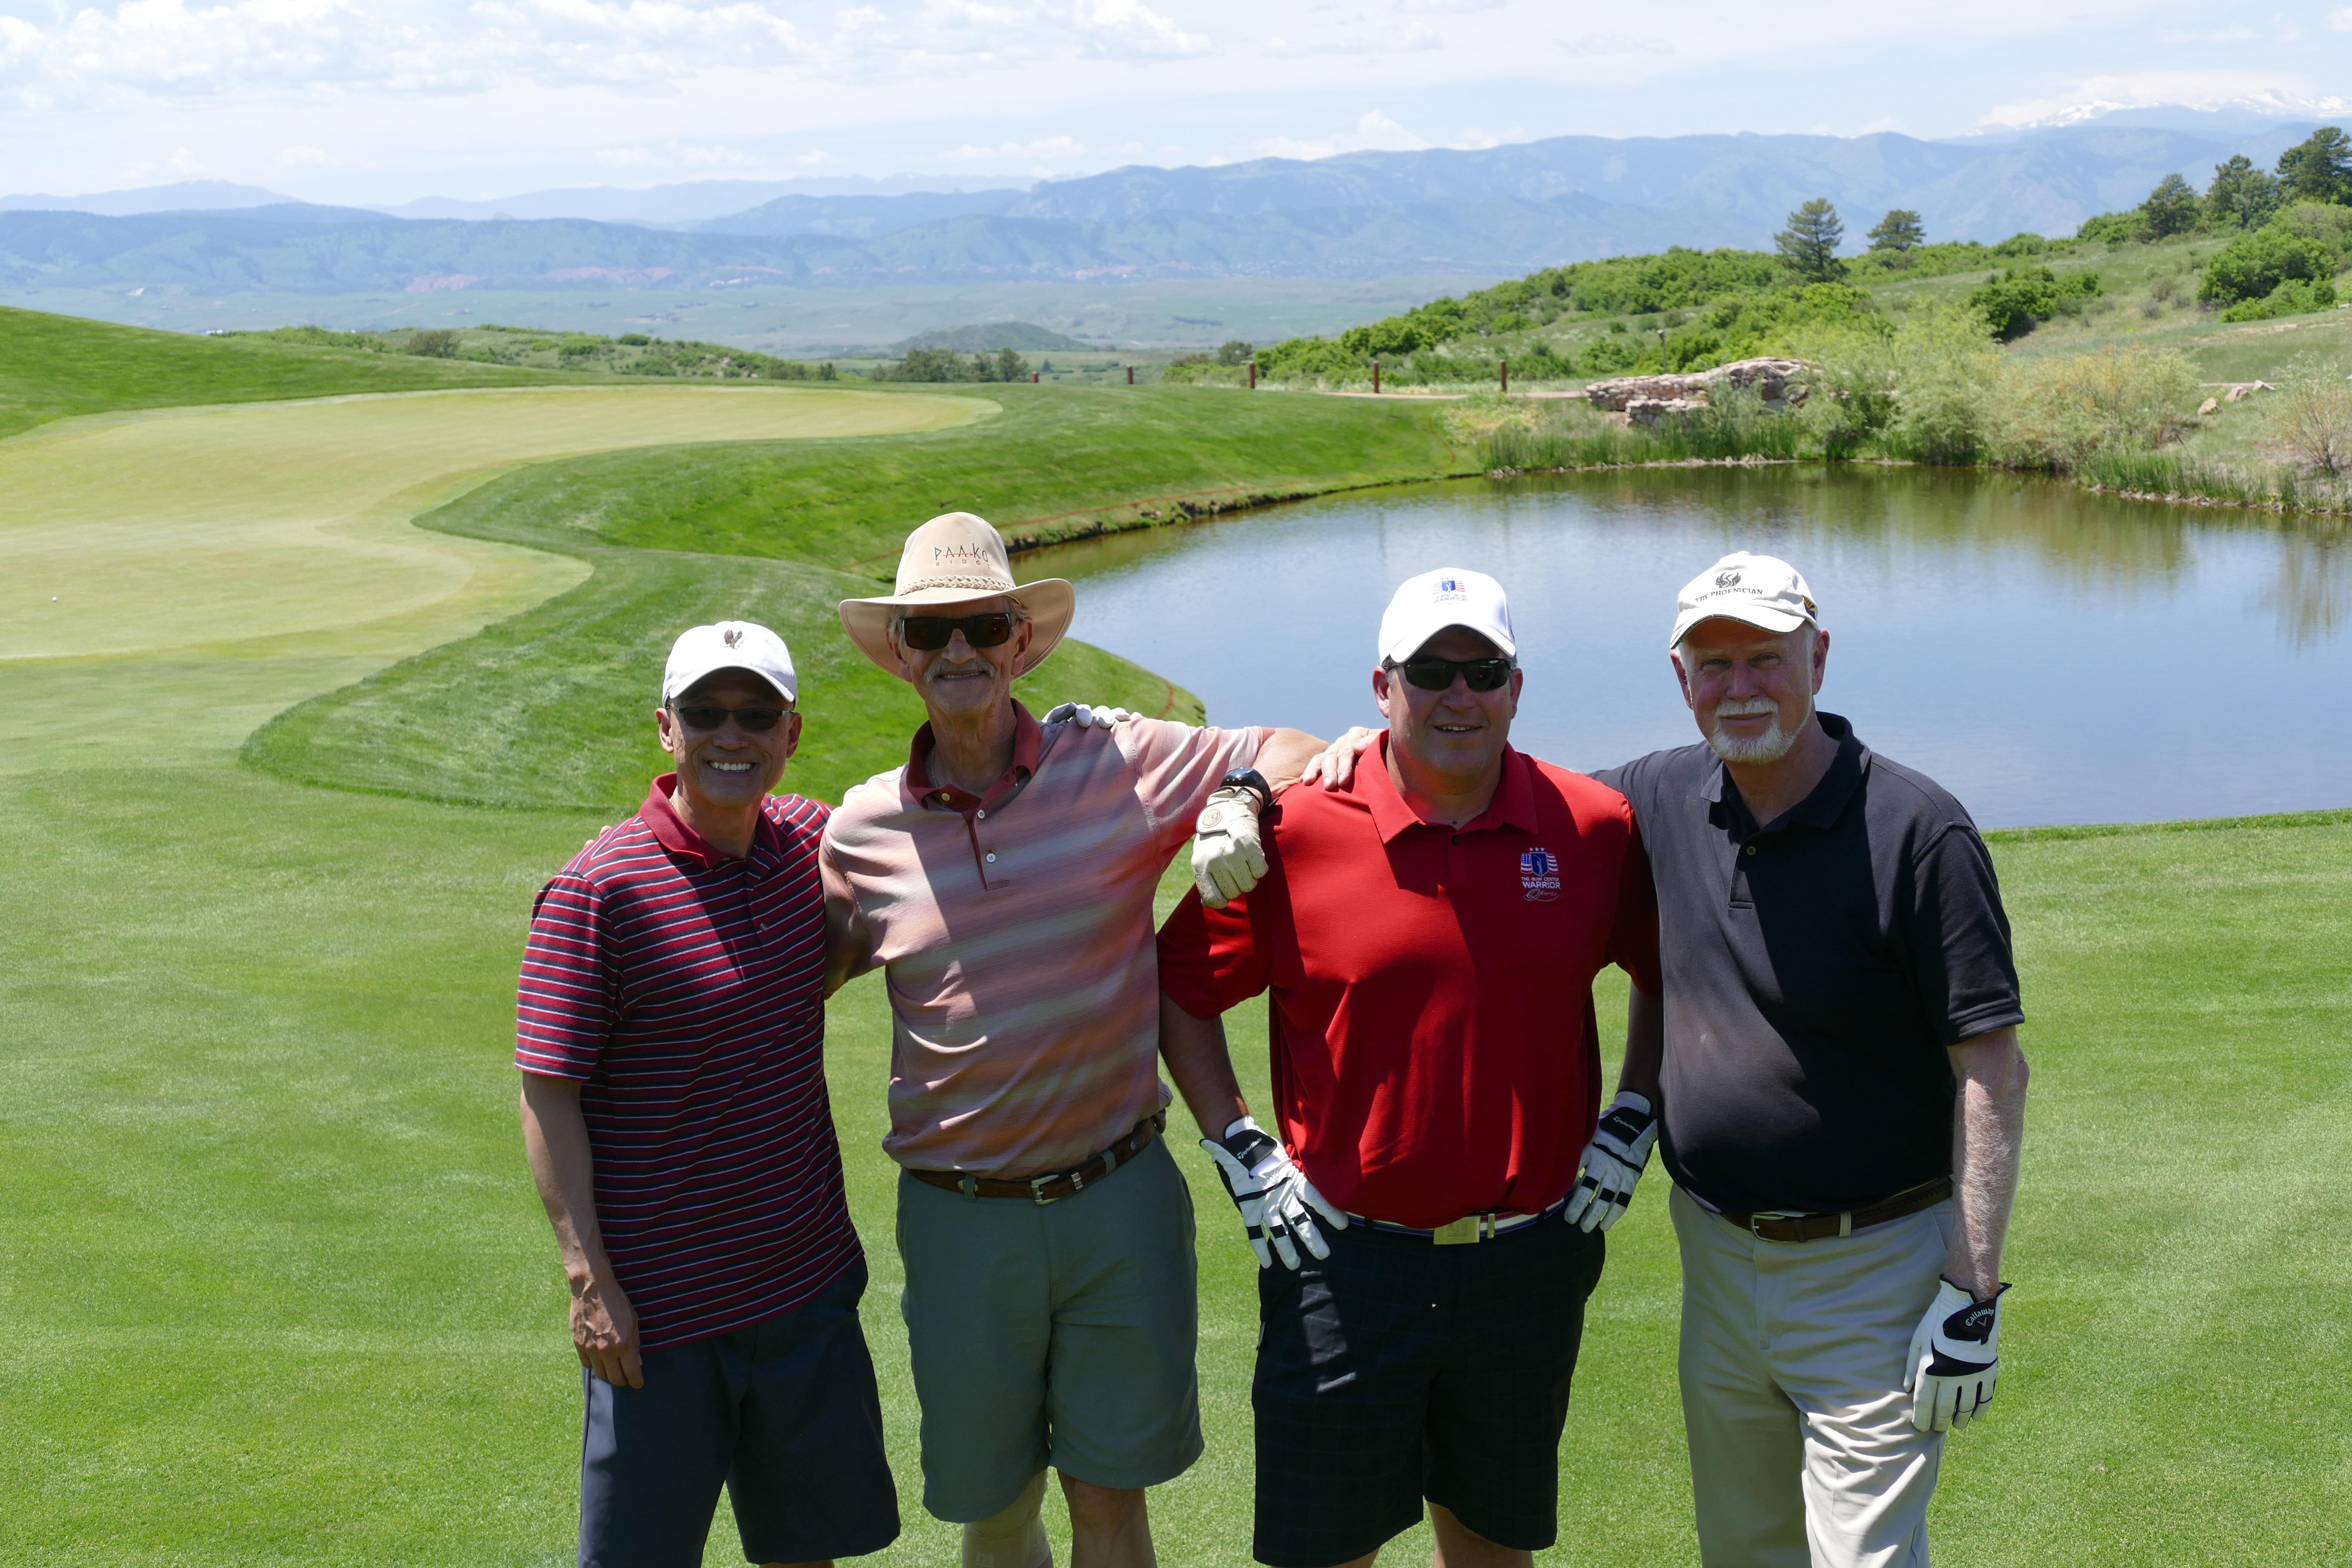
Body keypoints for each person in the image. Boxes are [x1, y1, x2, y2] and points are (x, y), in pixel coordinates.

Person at [820, 511, 1329, 1568]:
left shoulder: (1119, 761)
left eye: (980, 624)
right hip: (962, 1217)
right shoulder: (863, 830)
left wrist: (1239, 802)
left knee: (1109, 1501)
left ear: (1020, 640)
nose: (958, 650)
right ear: (904, 658)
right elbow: (780, 984)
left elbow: (1299, 749)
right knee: (995, 1507)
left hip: (1118, 1199)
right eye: (931, 632)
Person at [1154, 567, 1664, 1568]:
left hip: (1532, 1254)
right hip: (1341, 1259)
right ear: (1382, 687)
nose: (1459, 696)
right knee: (1323, 1550)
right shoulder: (1296, 831)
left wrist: (1635, 1113)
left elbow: (1668, 974)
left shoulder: (1595, 827)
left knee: (1491, 1548)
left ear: (1518, 685)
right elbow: (1180, 992)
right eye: (1431, 671)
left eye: (1484, 670)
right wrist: (1240, 1148)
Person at [1590, 552, 2033, 1568]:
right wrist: (1322, 760)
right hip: (1715, 1259)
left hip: (1874, 1274)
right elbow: (1494, 795)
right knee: (1744, 1551)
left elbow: (1993, 1070)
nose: (1741, 688)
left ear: (1819, 658)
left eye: (1766, 659)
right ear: (1680, 676)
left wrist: (1972, 1290)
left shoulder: (1920, 830)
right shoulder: (1657, 794)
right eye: (1715, 665)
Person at [515, 620, 898, 1568]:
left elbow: (922, 836)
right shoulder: (598, 891)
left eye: (756, 714)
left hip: (804, 1289)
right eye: (707, 713)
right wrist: (588, 1284)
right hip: (660, 1320)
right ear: (667, 729)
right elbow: (548, 1094)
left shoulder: (809, 839)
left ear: (791, 733)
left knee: (807, 1554)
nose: (733, 734)